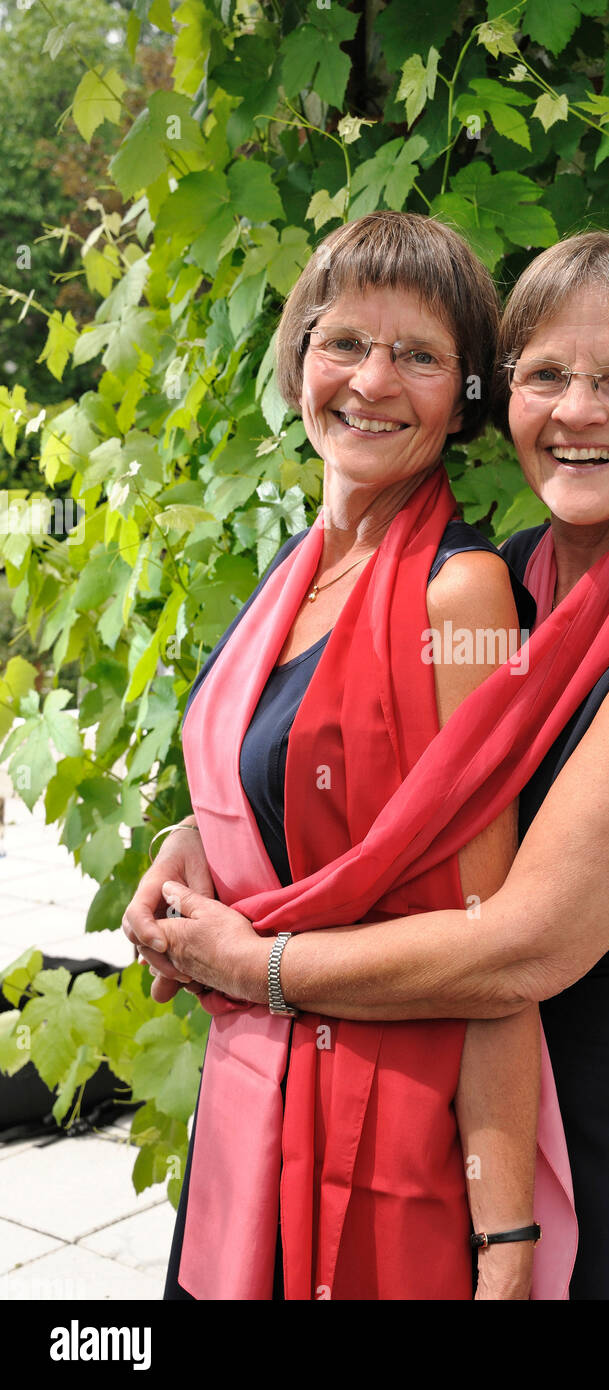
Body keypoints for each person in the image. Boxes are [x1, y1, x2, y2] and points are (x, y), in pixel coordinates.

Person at [130, 229, 609, 1300]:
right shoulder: (510, 578)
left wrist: (255, 966)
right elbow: (376, 797)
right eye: (546, 375)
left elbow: (524, 945)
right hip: (479, 1111)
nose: (578, 410)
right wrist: (201, 838)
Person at [125, 209, 560, 1301]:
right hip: (249, 1111)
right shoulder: (297, 569)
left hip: (385, 1128)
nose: (371, 380)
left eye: (419, 355)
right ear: (299, 359)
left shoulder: (456, 594)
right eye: (345, 343)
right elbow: (288, 791)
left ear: (465, 397)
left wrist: (506, 1237)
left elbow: (489, 938)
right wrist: (190, 846)